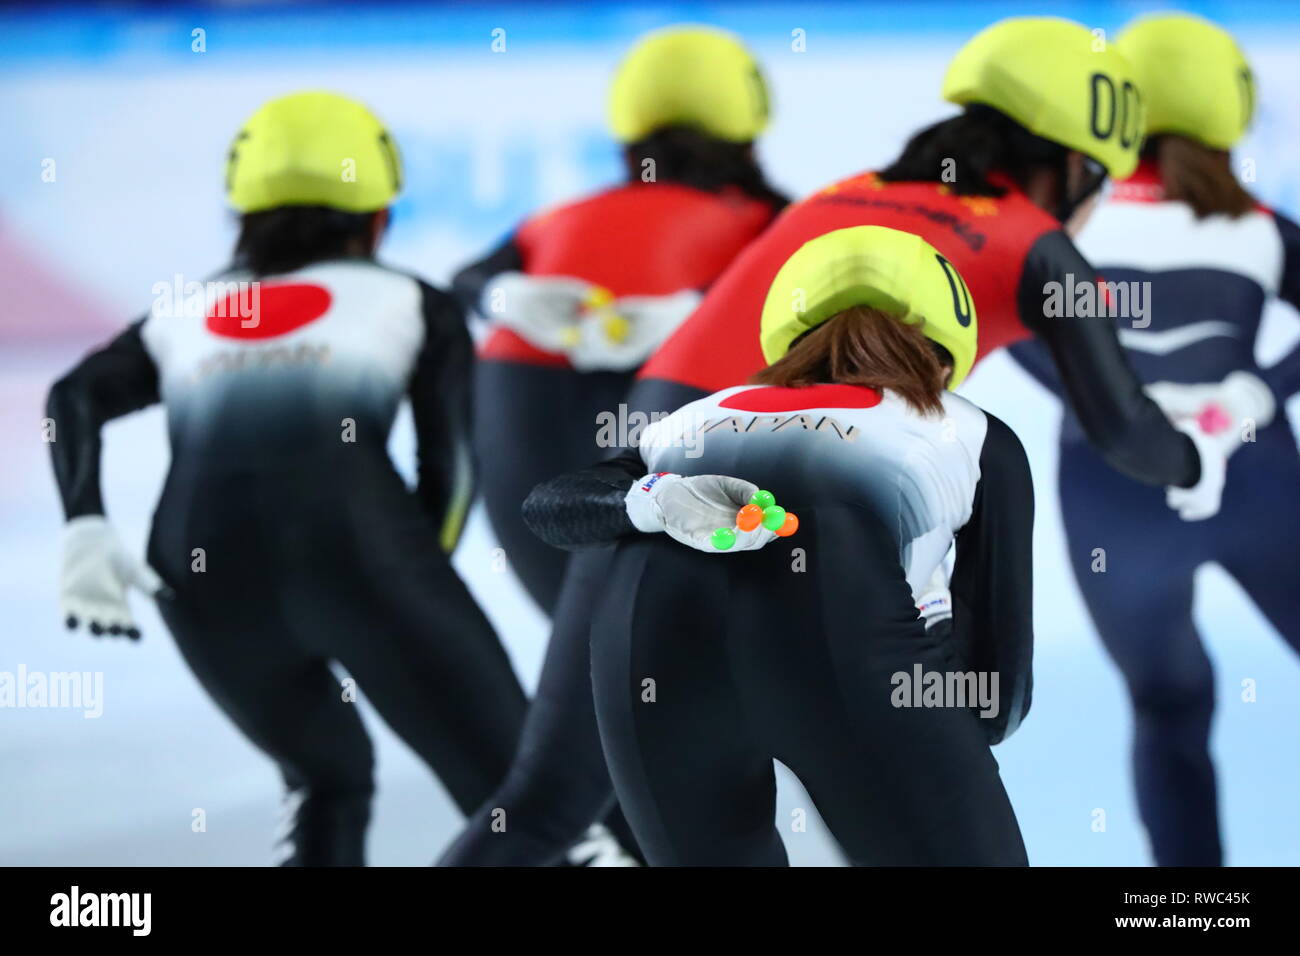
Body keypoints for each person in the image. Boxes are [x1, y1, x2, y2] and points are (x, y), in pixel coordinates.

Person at [446, 15, 1236, 865]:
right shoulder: (1033, 244)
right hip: (817, 526)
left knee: (550, 799)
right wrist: (1204, 455)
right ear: (1079, 162)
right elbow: (1121, 426)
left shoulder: (845, 191)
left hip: (665, 453)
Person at [47, 91, 532, 866]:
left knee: (325, 780)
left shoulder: (184, 312)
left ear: (241, 212)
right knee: (529, 801)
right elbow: (452, 472)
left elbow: (69, 398)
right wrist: (409, 591)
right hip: (368, 562)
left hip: (202, 585)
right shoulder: (415, 302)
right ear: (378, 213)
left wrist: (85, 521)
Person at [524, 225, 1034, 865]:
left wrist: (647, 501)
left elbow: (550, 509)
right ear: (946, 350)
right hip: (845, 640)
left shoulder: (694, 418)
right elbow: (994, 700)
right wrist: (925, 635)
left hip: (649, 643)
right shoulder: (974, 431)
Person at [439, 25, 786, 866]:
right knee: (580, 787)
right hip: (668, 508)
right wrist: (701, 305)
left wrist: (508, 295)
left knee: (604, 767)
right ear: (748, 123)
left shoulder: (554, 220)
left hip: (533, 495)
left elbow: (465, 285)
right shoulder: (770, 226)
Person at [1009, 13, 1299, 866]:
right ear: (1231, 105)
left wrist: (1118, 405)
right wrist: (1254, 395)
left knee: (1167, 707)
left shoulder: (1062, 229)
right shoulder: (1254, 225)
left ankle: (1190, 909)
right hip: (1261, 481)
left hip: (1112, 495)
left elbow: (995, 322)